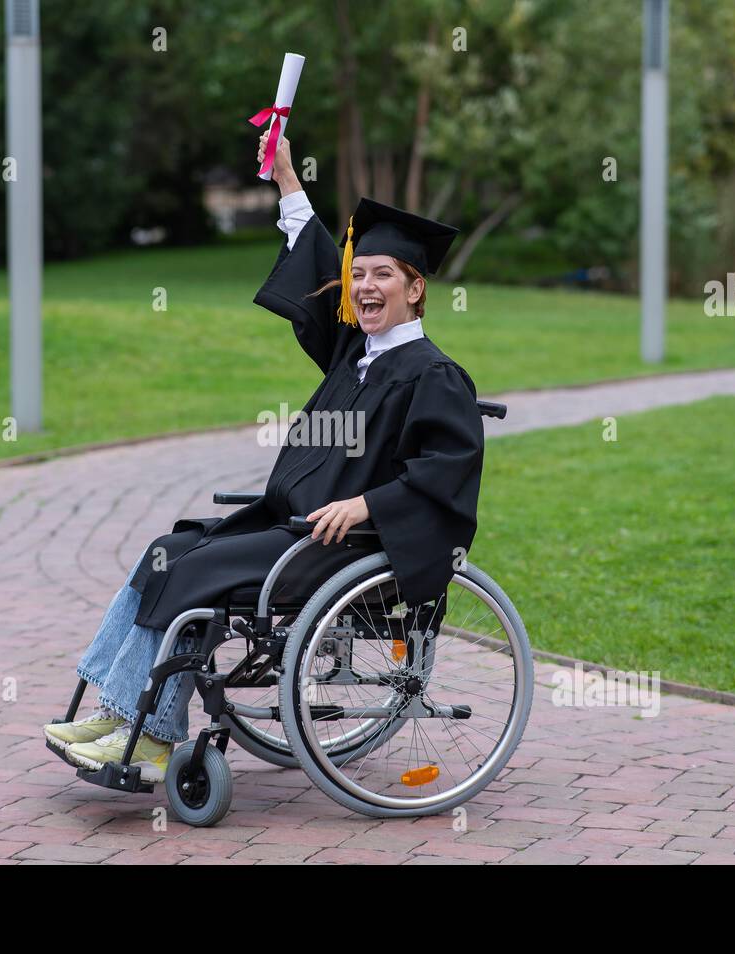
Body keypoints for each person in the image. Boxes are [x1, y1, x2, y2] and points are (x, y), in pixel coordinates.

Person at [43, 131, 485, 782]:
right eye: (358, 274)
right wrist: (284, 178)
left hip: (345, 547)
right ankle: (115, 712)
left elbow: (444, 472)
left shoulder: (433, 375)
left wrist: (365, 502)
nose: (363, 286)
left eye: (382, 275)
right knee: (166, 551)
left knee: (197, 575)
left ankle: (155, 736)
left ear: (415, 288)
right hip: (288, 529)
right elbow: (316, 269)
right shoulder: (359, 356)